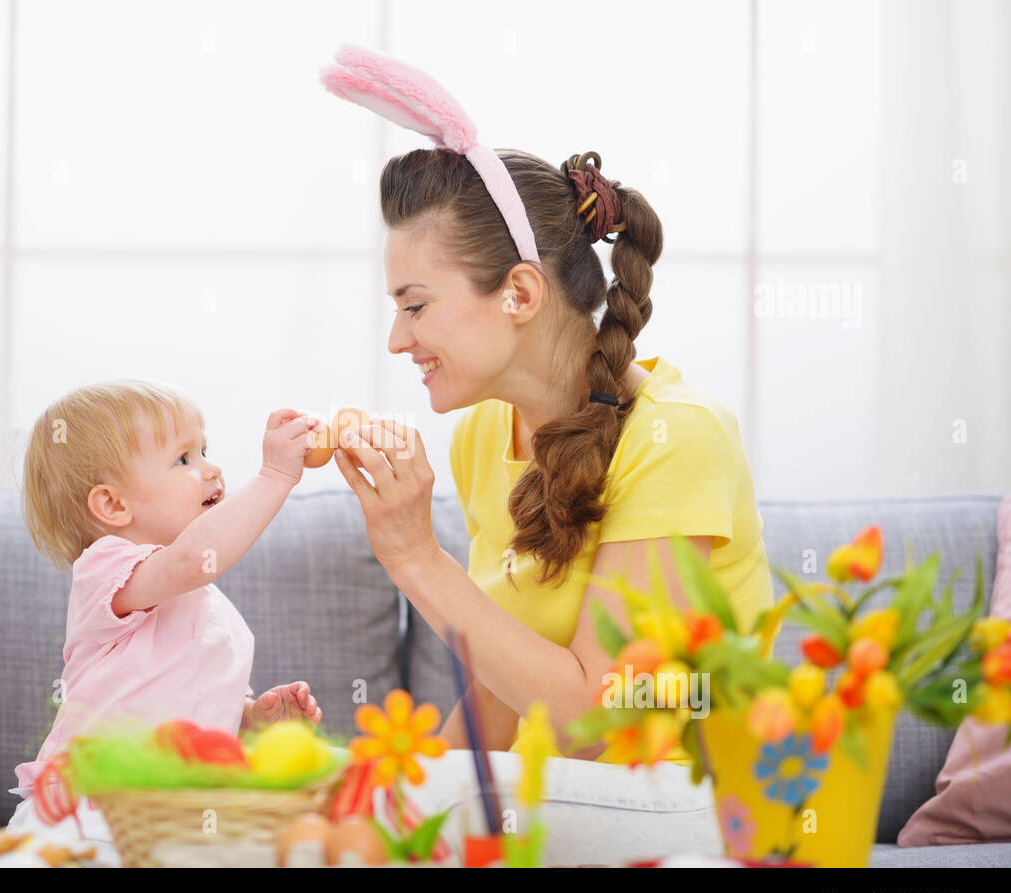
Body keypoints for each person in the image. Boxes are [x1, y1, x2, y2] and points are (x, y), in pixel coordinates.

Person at [331, 145, 774, 761]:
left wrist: (413, 556)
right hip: (552, 804)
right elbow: (503, 688)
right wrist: (408, 806)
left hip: (686, 808)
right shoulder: (484, 432)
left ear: (519, 292)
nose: (397, 339)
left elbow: (601, 719)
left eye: (415, 305)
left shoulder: (678, 437)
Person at [8, 380, 323, 833]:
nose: (212, 469)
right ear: (113, 505)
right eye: (183, 459)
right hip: (87, 804)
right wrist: (274, 477)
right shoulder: (106, 569)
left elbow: (199, 712)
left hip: (169, 816)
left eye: (204, 450)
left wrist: (252, 720)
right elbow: (193, 559)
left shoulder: (205, 604)